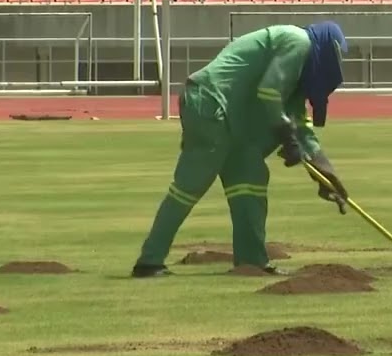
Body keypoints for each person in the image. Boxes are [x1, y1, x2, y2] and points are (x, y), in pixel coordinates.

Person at [131, 22, 351, 278]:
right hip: (211, 104)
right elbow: (270, 90)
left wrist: (326, 174)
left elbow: (303, 129)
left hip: (234, 123)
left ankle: (251, 262)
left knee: (251, 181)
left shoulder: (299, 79)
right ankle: (149, 261)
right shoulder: (298, 41)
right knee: (190, 185)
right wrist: (285, 133)